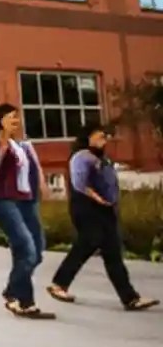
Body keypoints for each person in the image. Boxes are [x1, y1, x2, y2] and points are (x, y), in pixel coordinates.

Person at [47, 122, 158, 312]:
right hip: (87, 208)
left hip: (105, 209)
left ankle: (130, 298)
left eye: (104, 137)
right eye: (99, 137)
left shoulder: (102, 158)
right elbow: (79, 183)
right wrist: (99, 199)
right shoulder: (81, 157)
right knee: (87, 243)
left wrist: (111, 203)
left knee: (113, 252)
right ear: (87, 138)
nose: (103, 140)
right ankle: (59, 284)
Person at [0, 103, 55, 319]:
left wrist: (41, 186)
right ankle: (17, 296)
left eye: (17, 118)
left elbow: (31, 170)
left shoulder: (19, 146)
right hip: (2, 200)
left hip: (26, 200)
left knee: (36, 249)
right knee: (27, 248)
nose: (16, 122)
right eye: (11, 118)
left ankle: (20, 298)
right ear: (0, 120)